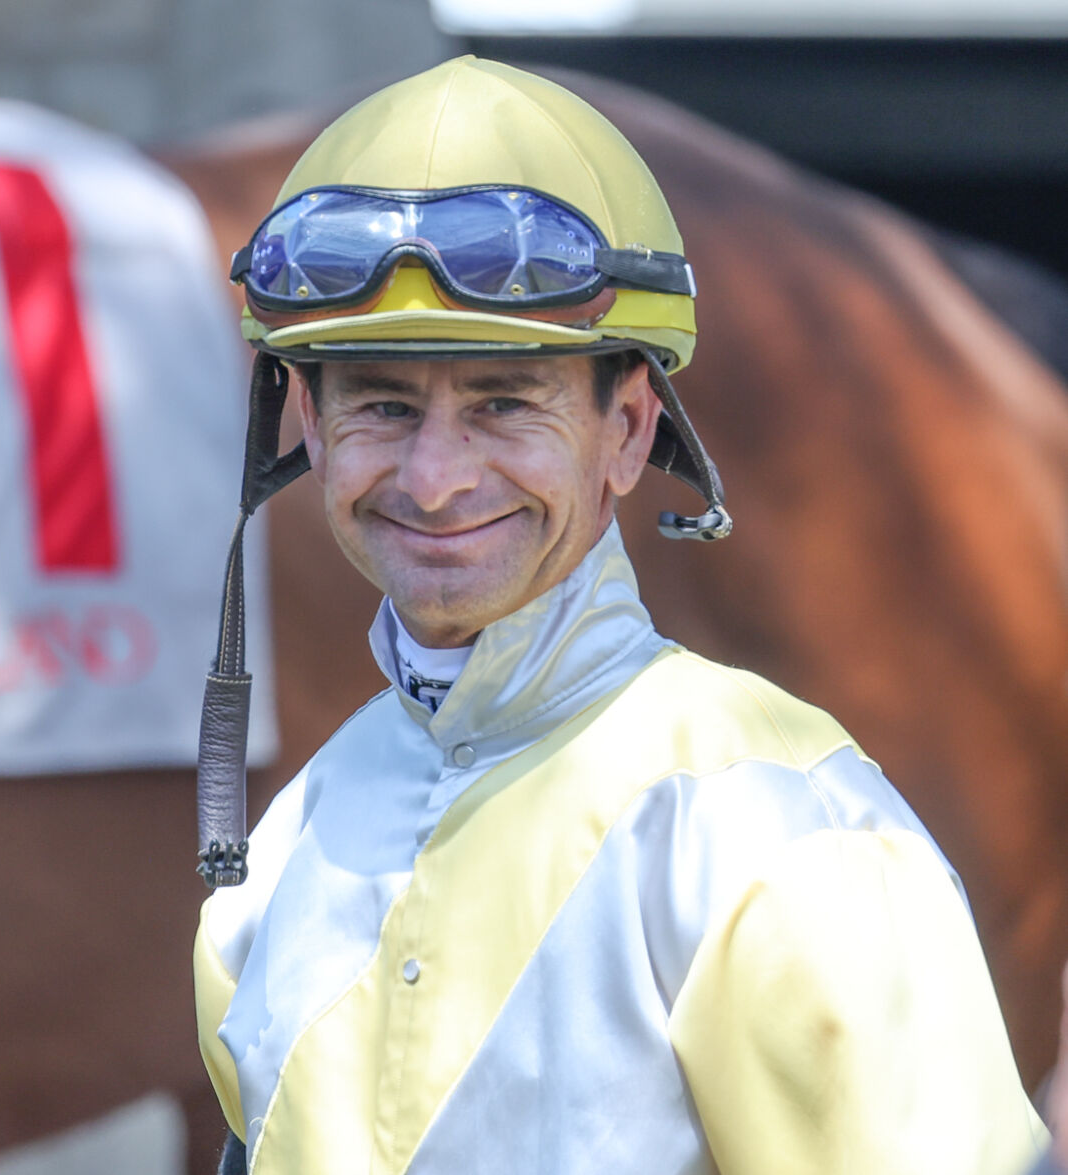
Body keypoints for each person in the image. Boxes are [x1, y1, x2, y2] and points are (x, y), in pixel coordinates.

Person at [191, 57, 1047, 1173]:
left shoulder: (782, 828)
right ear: (308, 422)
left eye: (505, 404)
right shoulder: (278, 854)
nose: (435, 478)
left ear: (630, 430)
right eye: (383, 406)